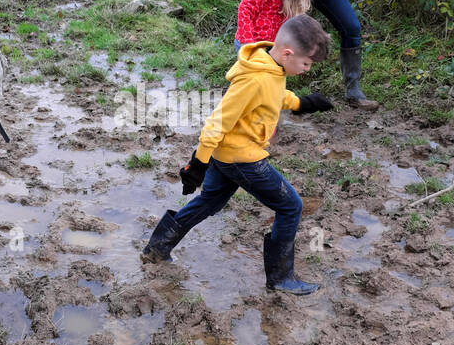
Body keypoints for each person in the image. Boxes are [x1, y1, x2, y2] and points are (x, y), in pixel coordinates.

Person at [142, 15, 335, 295]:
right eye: (306, 63)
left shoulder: (272, 68)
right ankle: (281, 278)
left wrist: (301, 103)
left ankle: (157, 248)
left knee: (209, 202)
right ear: (287, 53)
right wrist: (198, 164)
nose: (307, 69)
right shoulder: (254, 79)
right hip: (242, 158)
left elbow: (275, 96)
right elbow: (218, 121)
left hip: (227, 155)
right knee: (291, 206)